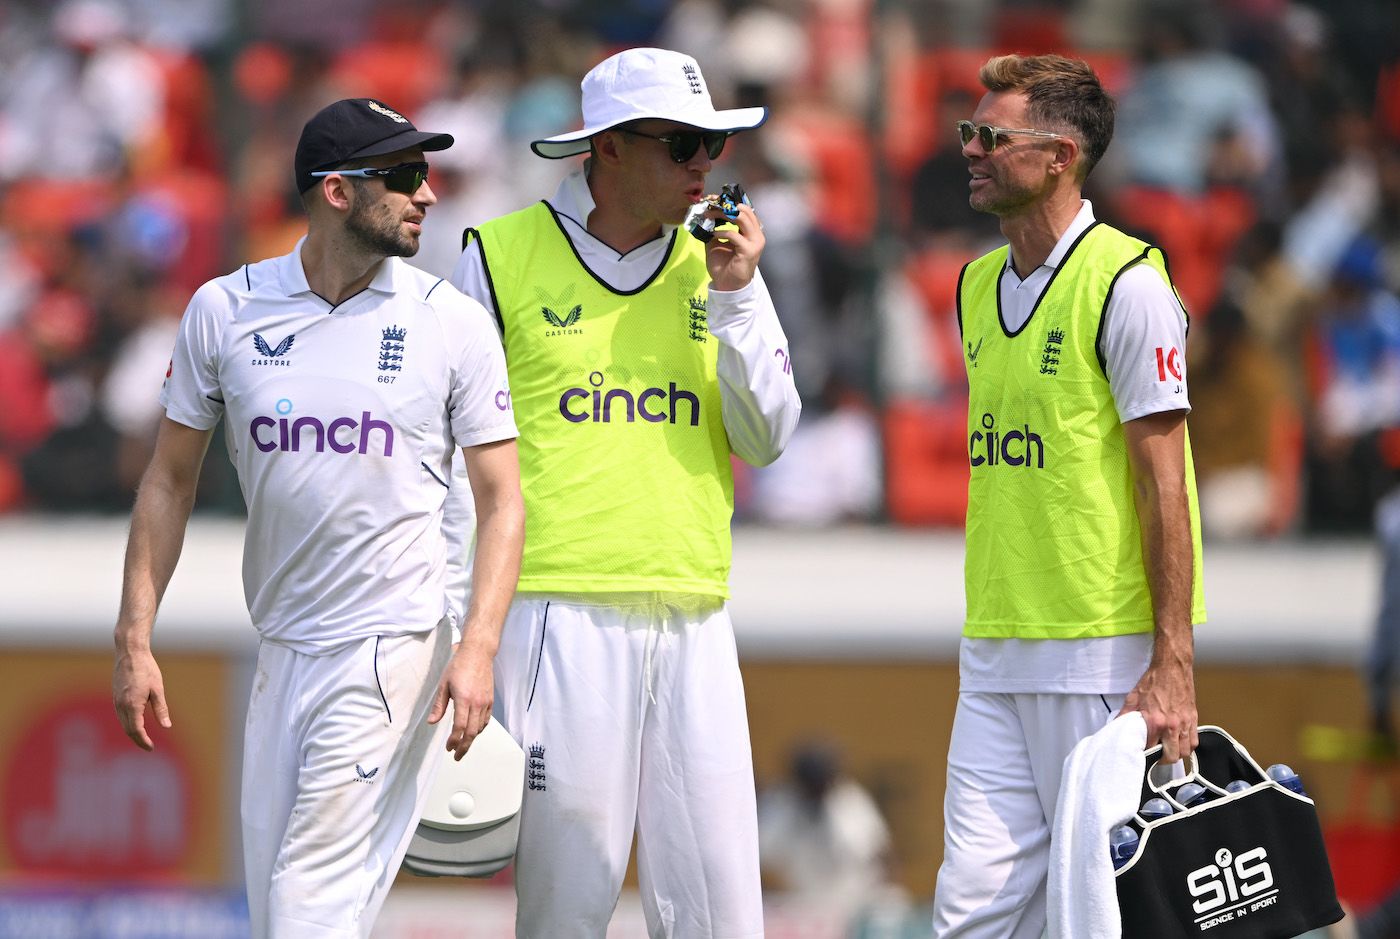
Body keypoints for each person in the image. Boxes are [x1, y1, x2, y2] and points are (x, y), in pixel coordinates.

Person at [111, 97, 525, 939]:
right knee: (282, 907)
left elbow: (502, 499)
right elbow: (168, 480)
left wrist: (478, 646)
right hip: (281, 650)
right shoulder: (224, 311)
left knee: (306, 904)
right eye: (405, 176)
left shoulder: (452, 321)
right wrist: (134, 635)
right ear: (337, 192)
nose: (428, 195)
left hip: (391, 646)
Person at [450, 47, 801, 938]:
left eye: (711, 147)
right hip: (555, 614)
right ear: (606, 148)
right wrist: (467, 638)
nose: (701, 168)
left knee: (724, 913)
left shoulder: (721, 267)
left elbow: (769, 434)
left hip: (693, 608)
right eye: (681, 144)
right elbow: (453, 470)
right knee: (568, 906)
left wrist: (740, 295)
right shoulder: (498, 256)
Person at [932, 55, 1206, 937]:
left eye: (991, 137)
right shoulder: (976, 286)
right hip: (995, 647)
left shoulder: (1128, 285)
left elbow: (1166, 482)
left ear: (1059, 155)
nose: (969, 149)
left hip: (1105, 657)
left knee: (1099, 917)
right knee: (969, 913)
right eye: (969, 132)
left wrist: (1173, 661)